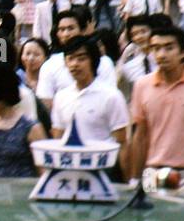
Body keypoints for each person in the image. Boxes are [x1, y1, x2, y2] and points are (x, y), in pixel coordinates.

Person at [128, 26, 184, 191]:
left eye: (169, 48)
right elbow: (140, 135)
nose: (162, 54)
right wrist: (135, 177)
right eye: (156, 48)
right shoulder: (142, 85)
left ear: (183, 52)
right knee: (150, 216)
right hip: (152, 170)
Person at [51, 35, 129, 174]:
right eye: (70, 58)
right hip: (69, 168)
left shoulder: (111, 96)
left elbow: (122, 142)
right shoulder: (61, 97)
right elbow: (58, 137)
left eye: (81, 58)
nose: (75, 64)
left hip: (102, 168)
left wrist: (129, 180)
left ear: (93, 61)